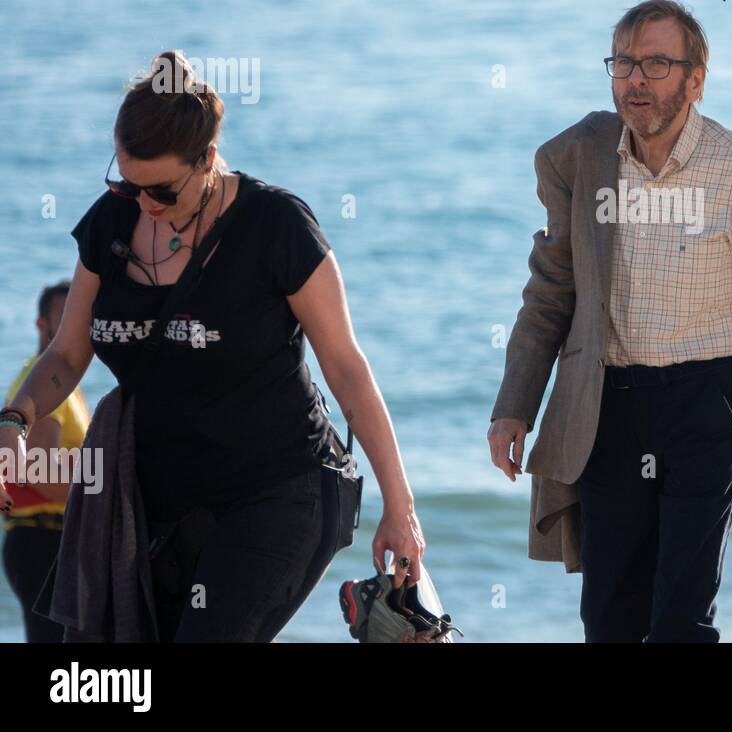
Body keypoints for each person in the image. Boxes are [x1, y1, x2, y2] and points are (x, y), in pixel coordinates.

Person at [0, 51, 425, 642]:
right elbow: (68, 355)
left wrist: (399, 508)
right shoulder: (109, 225)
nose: (143, 202)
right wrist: (15, 419)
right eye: (126, 183)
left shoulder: (275, 227)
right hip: (157, 502)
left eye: (162, 190)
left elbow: (347, 369)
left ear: (207, 159)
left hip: (280, 489)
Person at [487, 0, 732, 642]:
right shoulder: (582, 159)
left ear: (696, 80)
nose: (635, 80)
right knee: (610, 618)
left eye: (656, 64)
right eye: (623, 63)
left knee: (681, 620)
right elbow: (550, 292)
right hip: (610, 407)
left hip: (707, 407)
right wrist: (515, 405)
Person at [1, 282, 90, 642]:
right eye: (65, 316)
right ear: (42, 325)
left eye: (82, 315)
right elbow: (37, 470)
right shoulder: (46, 386)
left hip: (38, 539)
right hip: (43, 539)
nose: (77, 324)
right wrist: (103, 505)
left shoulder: (46, 382)